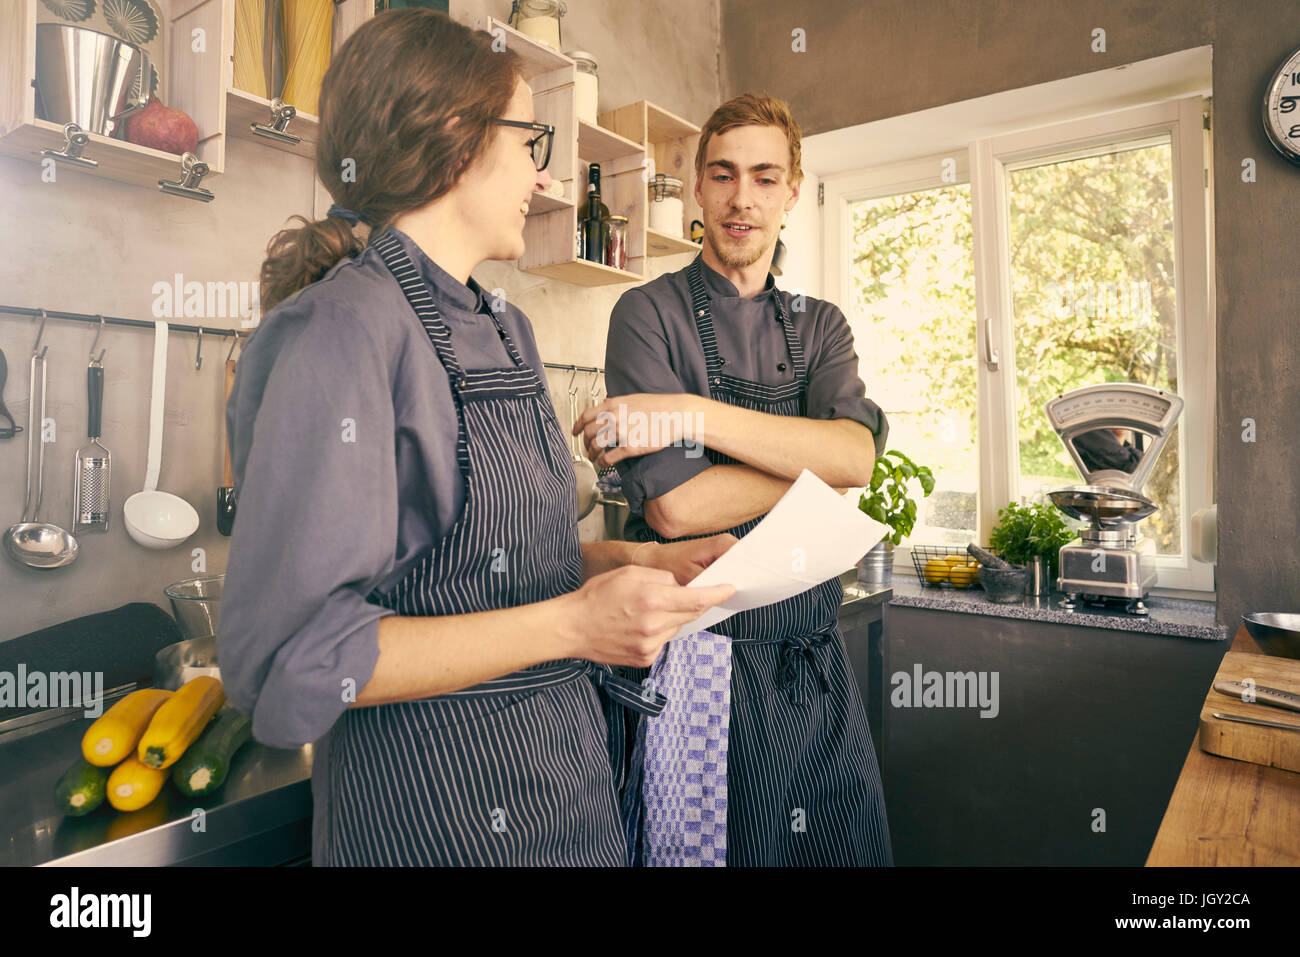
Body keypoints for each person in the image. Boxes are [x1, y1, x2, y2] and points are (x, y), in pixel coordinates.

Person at [217, 9, 735, 867]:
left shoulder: (506, 327)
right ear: (457, 140)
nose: (543, 172)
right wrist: (575, 624)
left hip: (563, 795)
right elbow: (289, 666)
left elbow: (478, 570)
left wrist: (620, 568)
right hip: (433, 817)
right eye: (530, 139)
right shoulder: (339, 331)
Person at [576, 94, 894, 866]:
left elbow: (857, 459)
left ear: (791, 190)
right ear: (696, 187)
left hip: (814, 670)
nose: (741, 198)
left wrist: (690, 414)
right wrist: (815, 461)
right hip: (703, 667)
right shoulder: (645, 315)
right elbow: (680, 507)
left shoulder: (823, 325)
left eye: (763, 176)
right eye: (722, 175)